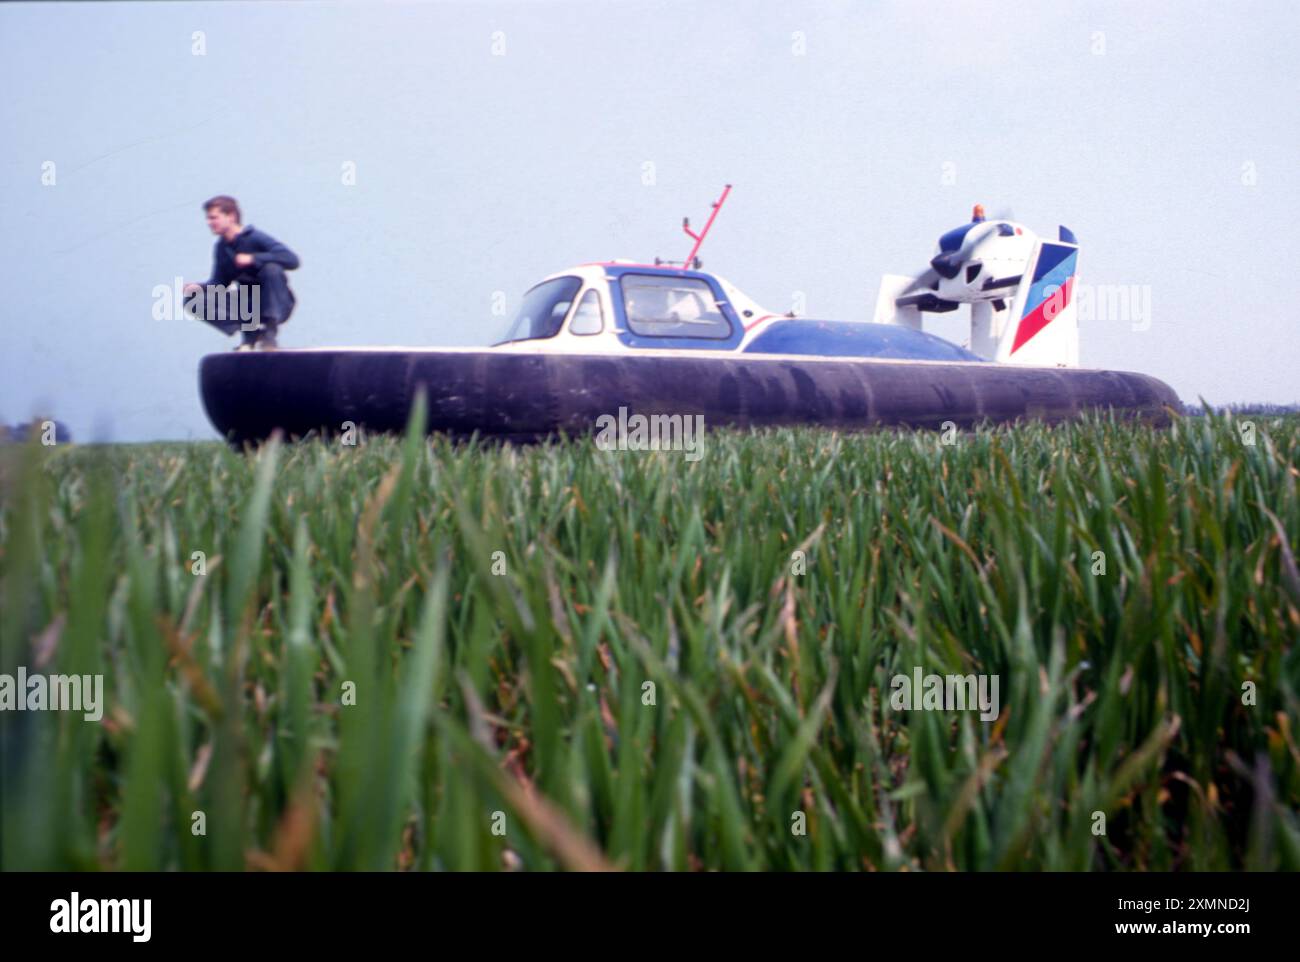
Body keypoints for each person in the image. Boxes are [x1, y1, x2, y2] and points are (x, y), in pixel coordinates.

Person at [183, 196, 299, 350]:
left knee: (271, 269)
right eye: (208, 219)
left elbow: (292, 259)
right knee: (192, 300)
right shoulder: (222, 248)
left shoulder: (255, 237)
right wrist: (199, 287)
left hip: (277, 302)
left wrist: (253, 258)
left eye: (214, 218)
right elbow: (220, 283)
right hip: (247, 303)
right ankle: (252, 334)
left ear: (230, 216)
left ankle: (269, 333)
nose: (209, 223)